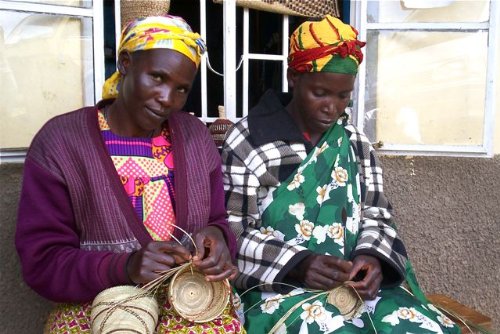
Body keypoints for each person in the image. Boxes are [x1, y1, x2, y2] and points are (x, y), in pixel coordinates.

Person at [221, 15, 460, 334]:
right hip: (279, 292)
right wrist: (299, 264)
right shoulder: (249, 140)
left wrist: (371, 258)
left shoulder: (354, 142)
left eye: (343, 96)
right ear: (294, 78)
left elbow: (377, 214)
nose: (331, 108)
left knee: (425, 329)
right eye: (320, 93)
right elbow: (233, 231)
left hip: (357, 293)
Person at [16, 15, 244, 333]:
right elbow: (42, 262)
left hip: (190, 298)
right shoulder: (61, 142)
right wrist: (125, 266)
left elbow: (217, 221)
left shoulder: (196, 136)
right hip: (96, 303)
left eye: (181, 89)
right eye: (157, 78)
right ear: (125, 63)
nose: (167, 99)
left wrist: (218, 239)